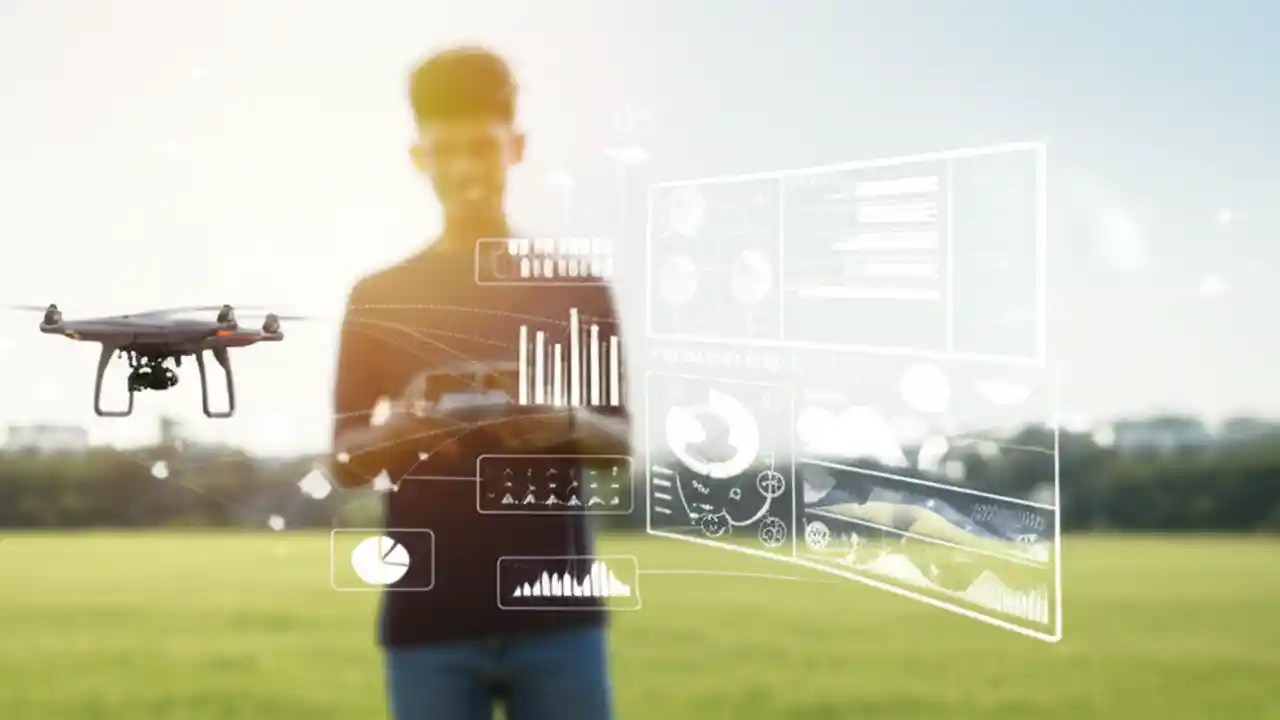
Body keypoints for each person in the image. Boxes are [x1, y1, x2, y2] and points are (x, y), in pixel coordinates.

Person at [330, 46, 630, 720]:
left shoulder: (577, 288)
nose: (465, 169)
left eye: (482, 148)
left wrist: (565, 422)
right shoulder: (376, 296)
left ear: (516, 147)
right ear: (418, 157)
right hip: (427, 620)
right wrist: (403, 428)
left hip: (560, 619)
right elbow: (343, 458)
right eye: (445, 150)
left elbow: (622, 446)